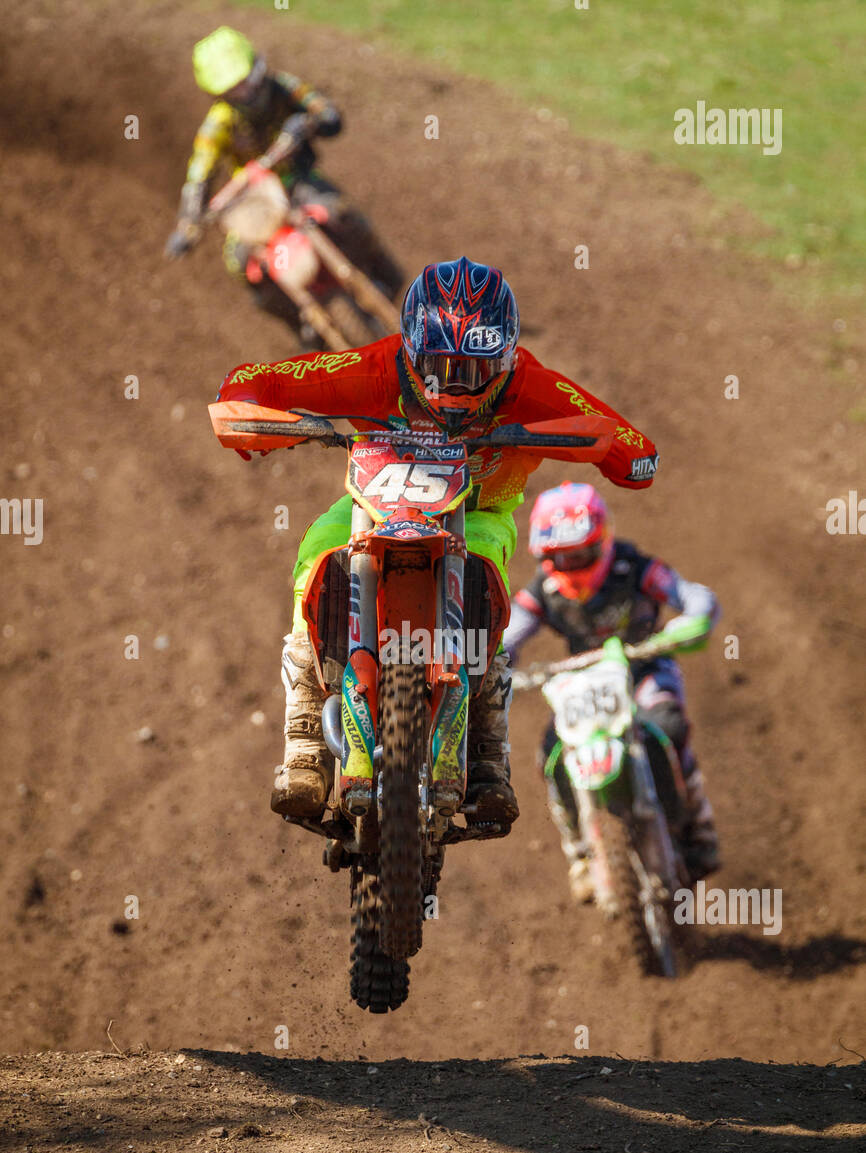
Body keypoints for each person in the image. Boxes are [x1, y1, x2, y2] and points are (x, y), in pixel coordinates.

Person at [215, 256, 661, 824]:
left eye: (473, 370)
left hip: (476, 511)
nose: (453, 385)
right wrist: (245, 403)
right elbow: (273, 379)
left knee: (485, 576)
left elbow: (615, 431)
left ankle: (488, 754)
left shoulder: (532, 385)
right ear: (410, 350)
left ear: (505, 358)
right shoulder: (376, 367)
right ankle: (304, 736)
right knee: (316, 555)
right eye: (437, 365)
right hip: (375, 504)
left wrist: (627, 454)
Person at [503, 482, 721, 896]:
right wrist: (491, 658)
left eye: (579, 553)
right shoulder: (544, 590)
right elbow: (509, 632)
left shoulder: (633, 567)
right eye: (558, 558)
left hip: (645, 668)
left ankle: (698, 826)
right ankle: (582, 853)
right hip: (586, 681)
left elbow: (688, 594)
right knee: (551, 750)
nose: (569, 565)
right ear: (544, 558)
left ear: (602, 541)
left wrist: (693, 616)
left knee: (668, 724)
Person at [165, 25, 401, 315]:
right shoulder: (218, 125)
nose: (246, 92)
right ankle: (299, 319)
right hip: (255, 199)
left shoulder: (284, 87)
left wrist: (310, 122)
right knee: (239, 262)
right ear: (219, 94)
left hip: (296, 178)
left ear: (257, 67)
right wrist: (187, 225)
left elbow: (329, 115)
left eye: (246, 81)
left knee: (340, 213)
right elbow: (199, 174)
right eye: (233, 89)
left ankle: (382, 272)